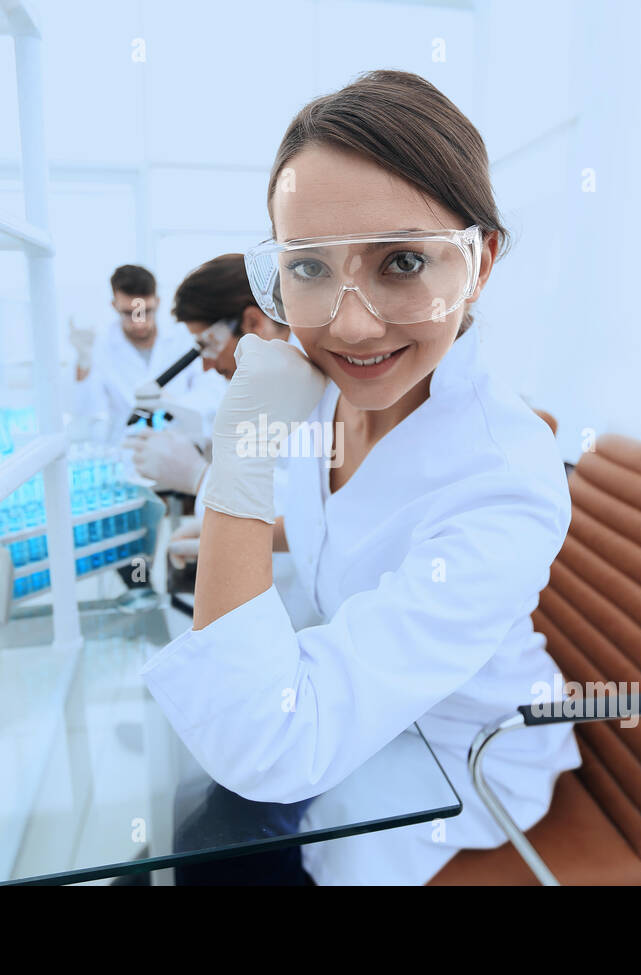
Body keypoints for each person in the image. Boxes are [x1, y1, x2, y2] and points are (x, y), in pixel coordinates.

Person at [139, 70, 581, 886]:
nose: (350, 322)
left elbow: (270, 744)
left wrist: (242, 456)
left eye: (403, 261)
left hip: (457, 751)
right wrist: (255, 527)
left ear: (478, 263)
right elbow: (350, 525)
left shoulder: (504, 478)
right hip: (365, 705)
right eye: (308, 269)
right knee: (176, 830)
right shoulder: (329, 395)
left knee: (215, 851)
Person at [127, 254, 289, 498]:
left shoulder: (317, 386)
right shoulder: (271, 381)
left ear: (254, 322)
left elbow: (299, 510)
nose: (207, 366)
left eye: (209, 346)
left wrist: (201, 477)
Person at [69, 264, 223, 444]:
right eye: (129, 313)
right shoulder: (101, 346)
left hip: (180, 445)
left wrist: (174, 405)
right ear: (114, 305)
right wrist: (83, 363)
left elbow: (213, 393)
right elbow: (87, 411)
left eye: (146, 311)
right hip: (128, 453)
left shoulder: (184, 339)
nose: (139, 323)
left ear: (157, 302)